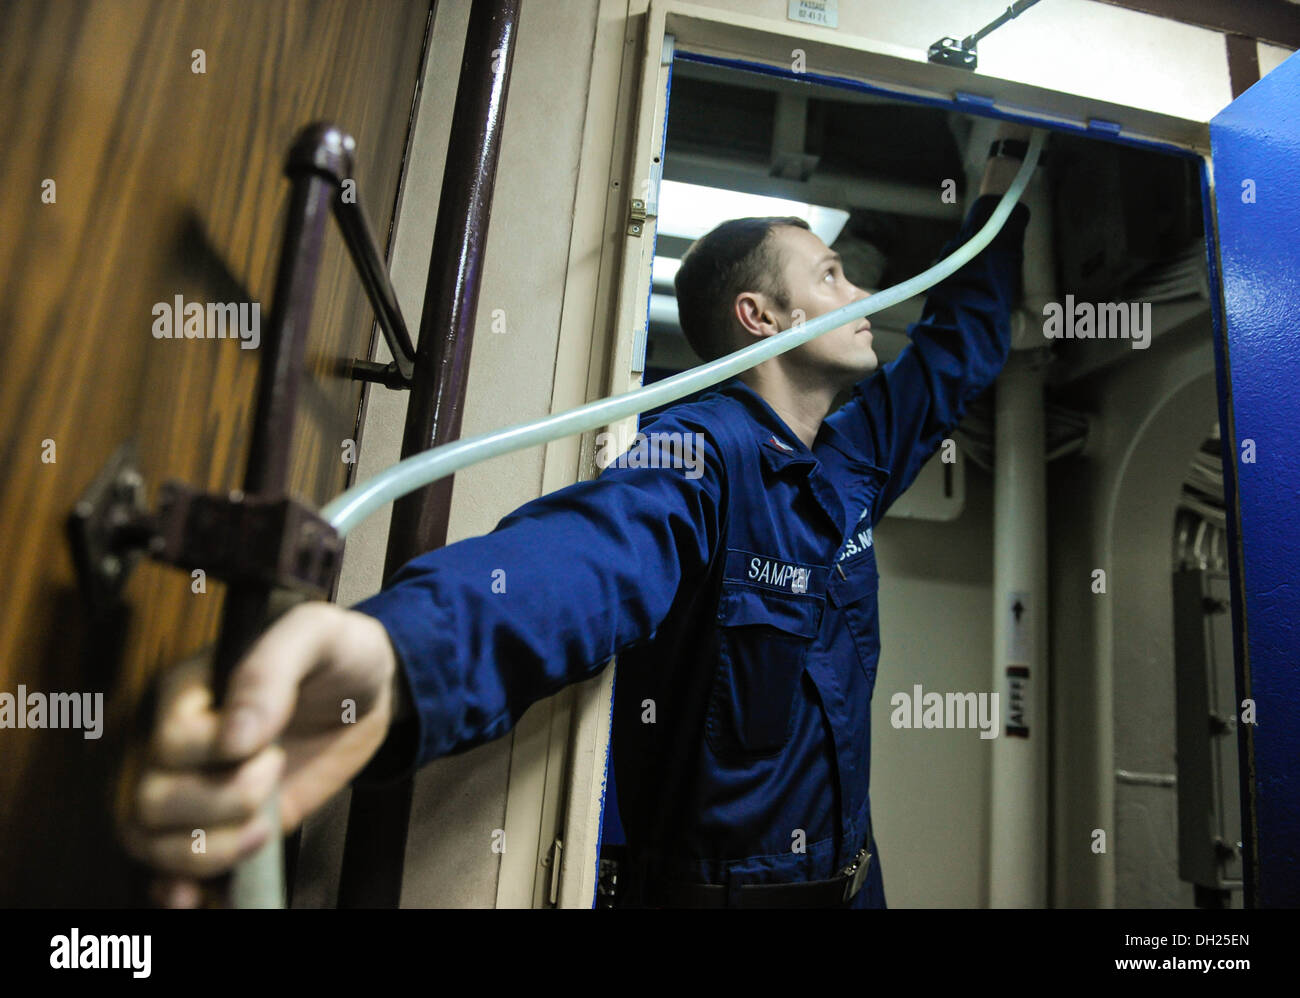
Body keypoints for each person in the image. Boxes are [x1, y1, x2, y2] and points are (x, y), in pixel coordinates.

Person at [118, 123, 1037, 909]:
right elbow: (582, 564)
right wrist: (393, 661)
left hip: (853, 883)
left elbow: (958, 352)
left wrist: (1002, 185)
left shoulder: (849, 459)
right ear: (761, 316)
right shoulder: (696, 455)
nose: (860, 296)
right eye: (832, 275)